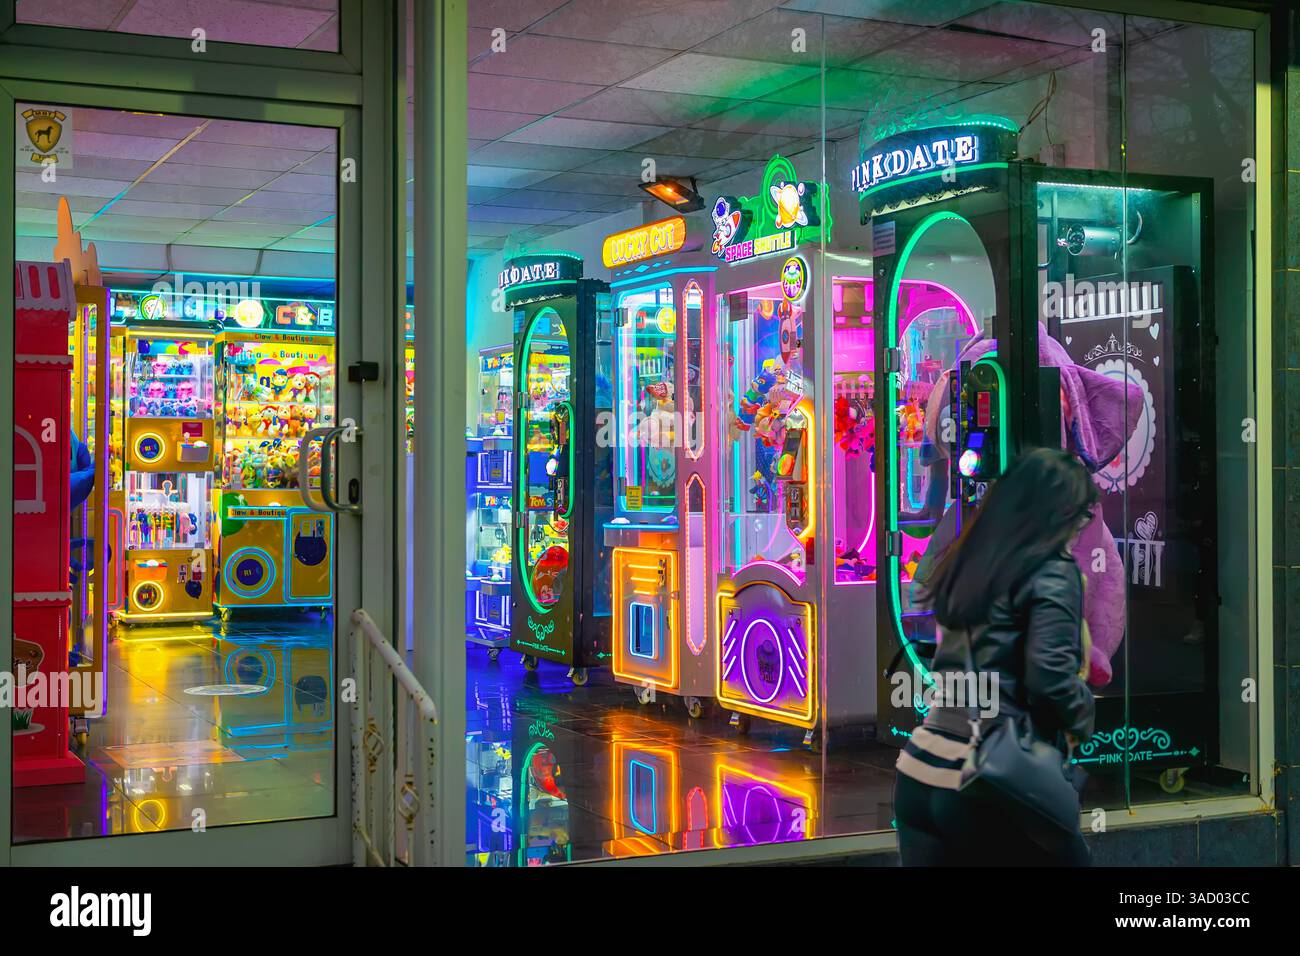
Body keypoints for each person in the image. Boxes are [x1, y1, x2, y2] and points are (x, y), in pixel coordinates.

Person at [894, 447, 1098, 866]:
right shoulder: (1051, 569)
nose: (1081, 528)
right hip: (993, 778)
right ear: (1057, 514)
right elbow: (1050, 678)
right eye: (1080, 515)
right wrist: (1082, 716)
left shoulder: (969, 558)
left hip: (922, 770)